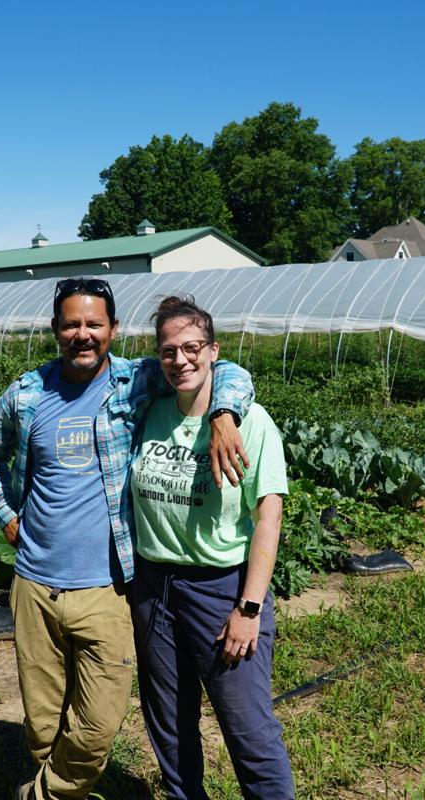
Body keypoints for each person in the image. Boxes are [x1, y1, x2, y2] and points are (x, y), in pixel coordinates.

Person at [0, 278, 255, 800]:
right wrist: (4, 515)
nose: (83, 334)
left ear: (113, 330)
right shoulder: (27, 393)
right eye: (72, 324)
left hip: (106, 588)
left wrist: (223, 413)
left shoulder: (137, 380)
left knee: (97, 727)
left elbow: (225, 368)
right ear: (56, 330)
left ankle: (39, 795)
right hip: (34, 586)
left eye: (94, 324)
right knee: (41, 725)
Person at [129, 295, 295, 800]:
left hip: (221, 588)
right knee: (170, 723)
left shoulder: (251, 422)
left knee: (247, 727)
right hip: (152, 587)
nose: (181, 359)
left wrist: (248, 607)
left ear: (213, 350)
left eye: (192, 347)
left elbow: (269, 515)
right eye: (169, 351)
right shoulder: (147, 412)